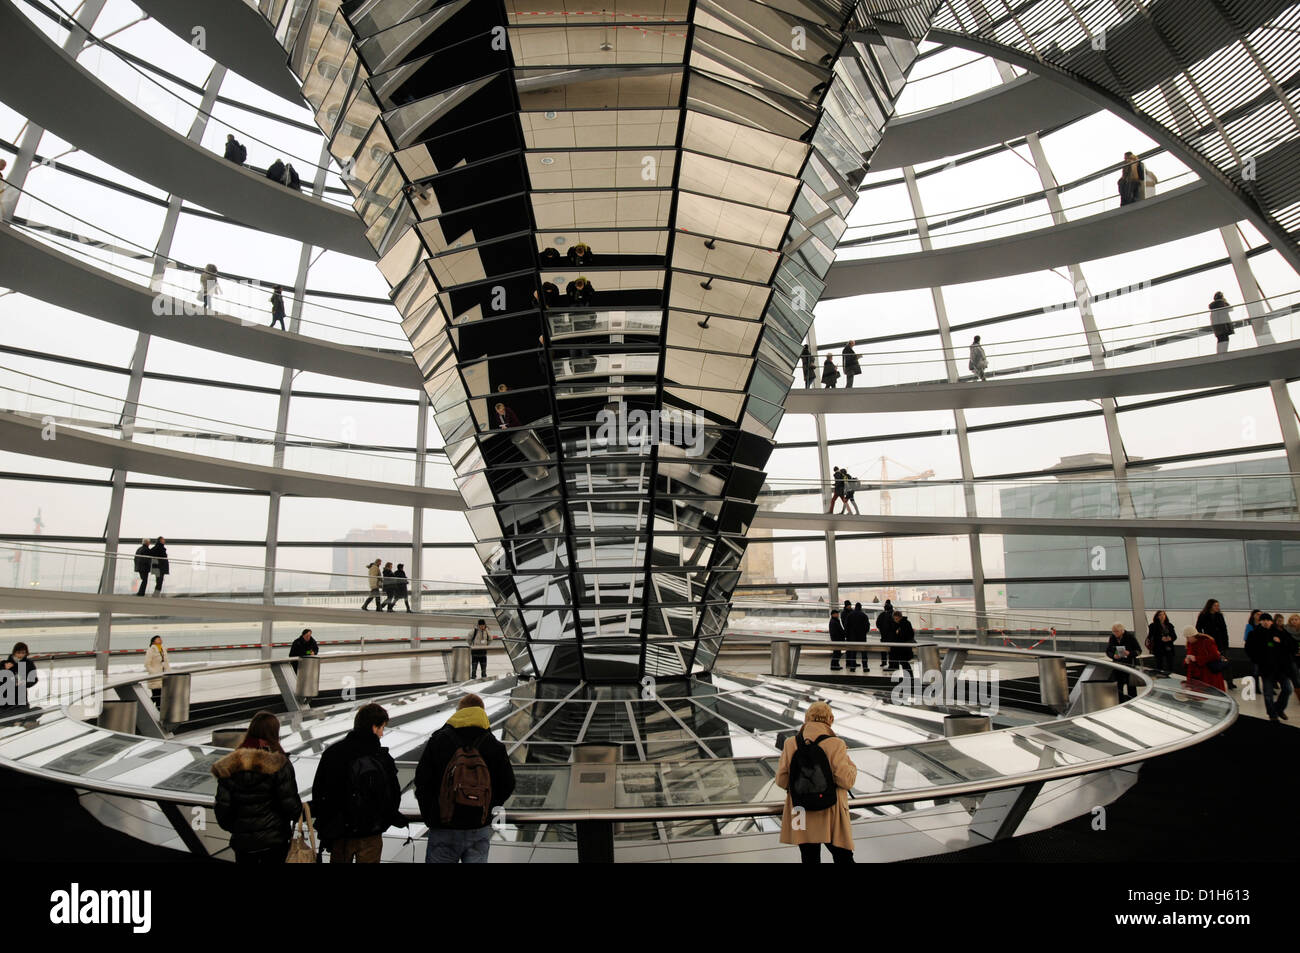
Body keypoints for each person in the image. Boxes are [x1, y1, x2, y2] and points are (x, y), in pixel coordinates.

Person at [414, 693, 516, 863]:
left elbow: (422, 782)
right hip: (478, 825)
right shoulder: (494, 745)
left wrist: (432, 815)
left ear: (459, 712)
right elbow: (508, 784)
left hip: (444, 826)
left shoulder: (438, 741)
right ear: (482, 713)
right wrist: (487, 806)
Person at [311, 703, 408, 863]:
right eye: (382, 728)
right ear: (374, 727)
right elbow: (392, 795)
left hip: (340, 833)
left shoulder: (333, 753)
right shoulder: (380, 757)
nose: (382, 734)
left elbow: (320, 791)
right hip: (371, 832)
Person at [211, 711, 301, 863]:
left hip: (244, 845)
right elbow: (292, 808)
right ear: (274, 734)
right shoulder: (279, 764)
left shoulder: (229, 766)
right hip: (274, 842)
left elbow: (222, 809)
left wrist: (239, 829)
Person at [775, 701, 857, 863]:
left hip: (802, 812)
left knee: (810, 858)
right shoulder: (836, 744)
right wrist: (852, 767)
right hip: (830, 811)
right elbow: (846, 780)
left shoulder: (791, 743)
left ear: (806, 719)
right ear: (830, 719)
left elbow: (782, 779)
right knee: (843, 857)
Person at [1245, 613, 1298, 721]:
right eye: (1263, 620)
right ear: (1260, 621)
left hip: (1281, 668)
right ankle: (1272, 714)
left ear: (1271, 621)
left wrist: (1281, 642)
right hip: (1266, 668)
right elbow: (1249, 649)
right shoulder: (1254, 634)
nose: (1266, 622)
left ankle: (1278, 708)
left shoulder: (1280, 632)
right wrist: (1257, 660)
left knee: (1287, 689)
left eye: (1268, 620)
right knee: (1268, 693)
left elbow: (1292, 645)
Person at [1195, 598, 1233, 688]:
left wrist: (1226, 643)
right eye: (1215, 605)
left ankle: (1230, 682)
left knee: (1226, 661)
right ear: (1210, 606)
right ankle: (1215, 682)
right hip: (1210, 642)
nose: (1217, 607)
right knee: (1214, 663)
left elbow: (1224, 629)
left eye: (1218, 606)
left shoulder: (1219, 616)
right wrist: (1205, 638)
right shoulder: (1203, 615)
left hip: (1221, 641)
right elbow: (1198, 628)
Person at [1184, 626, 1227, 692]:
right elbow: (1189, 656)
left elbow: (1215, 656)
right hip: (1195, 674)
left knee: (1211, 693)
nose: (1187, 639)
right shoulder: (1189, 643)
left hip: (1208, 674)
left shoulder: (1207, 641)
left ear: (1193, 635)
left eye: (1188, 637)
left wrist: (1197, 659)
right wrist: (1186, 661)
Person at [1105, 623, 1142, 700]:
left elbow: (1139, 651)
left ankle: (1133, 700)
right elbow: (1108, 651)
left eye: (1117, 631)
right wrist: (1113, 656)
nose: (1115, 633)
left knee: (1131, 685)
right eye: (1113, 631)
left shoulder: (1130, 637)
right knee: (1119, 685)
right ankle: (1120, 700)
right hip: (1118, 665)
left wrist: (1129, 653)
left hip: (1129, 664)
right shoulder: (1112, 638)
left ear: (1122, 631)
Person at [0, 642, 38, 713]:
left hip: (21, 699)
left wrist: (25, 683)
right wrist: (3, 668)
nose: (21, 655)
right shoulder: (5, 663)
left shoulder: (29, 664)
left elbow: (34, 679)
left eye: (23, 653)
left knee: (21, 717)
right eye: (18, 652)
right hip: (5, 698)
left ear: (26, 653)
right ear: (14, 652)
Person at [1146, 610, 1177, 676]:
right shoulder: (1153, 625)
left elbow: (1174, 636)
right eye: (1160, 615)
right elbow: (1150, 636)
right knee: (1159, 663)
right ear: (1157, 616)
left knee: (1170, 663)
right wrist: (1160, 638)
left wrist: (1170, 638)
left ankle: (1169, 676)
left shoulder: (1169, 625)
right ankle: (1159, 676)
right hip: (1158, 647)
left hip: (1168, 646)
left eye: (1163, 614)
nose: (1162, 616)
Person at [144, 635, 169, 705]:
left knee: (160, 697)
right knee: (156, 696)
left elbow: (166, 663)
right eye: (158, 639)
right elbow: (147, 664)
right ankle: (146, 707)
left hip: (163, 675)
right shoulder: (151, 650)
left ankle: (158, 711)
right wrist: (154, 673)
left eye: (160, 638)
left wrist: (169, 672)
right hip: (155, 677)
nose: (160, 640)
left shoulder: (163, 649)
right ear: (153, 641)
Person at [889, 610, 916, 675]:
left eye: (896, 618)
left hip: (903, 647)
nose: (895, 620)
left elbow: (906, 635)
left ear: (900, 617)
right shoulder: (902, 623)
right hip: (903, 647)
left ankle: (909, 677)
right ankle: (909, 676)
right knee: (904, 663)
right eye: (894, 619)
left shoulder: (903, 624)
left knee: (904, 663)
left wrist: (898, 633)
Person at [847, 601, 870, 673]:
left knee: (853, 653)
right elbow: (867, 626)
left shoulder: (850, 615)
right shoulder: (864, 615)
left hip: (853, 637)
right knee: (863, 653)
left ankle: (852, 667)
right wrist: (864, 633)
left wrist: (849, 634)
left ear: (855, 607)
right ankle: (865, 667)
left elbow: (846, 626)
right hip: (862, 637)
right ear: (860, 608)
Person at [876, 599, 895, 670]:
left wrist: (881, 629)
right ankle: (892, 663)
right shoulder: (893, 614)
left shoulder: (882, 615)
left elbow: (877, 623)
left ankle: (883, 662)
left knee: (883, 649)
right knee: (891, 650)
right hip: (892, 636)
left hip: (883, 635)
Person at [827, 608, 846, 672]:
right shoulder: (833, 622)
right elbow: (835, 632)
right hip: (836, 640)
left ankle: (836, 665)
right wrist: (840, 638)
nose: (838, 614)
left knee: (837, 653)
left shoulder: (836, 620)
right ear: (833, 614)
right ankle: (834, 666)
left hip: (838, 640)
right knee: (836, 653)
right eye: (836, 613)